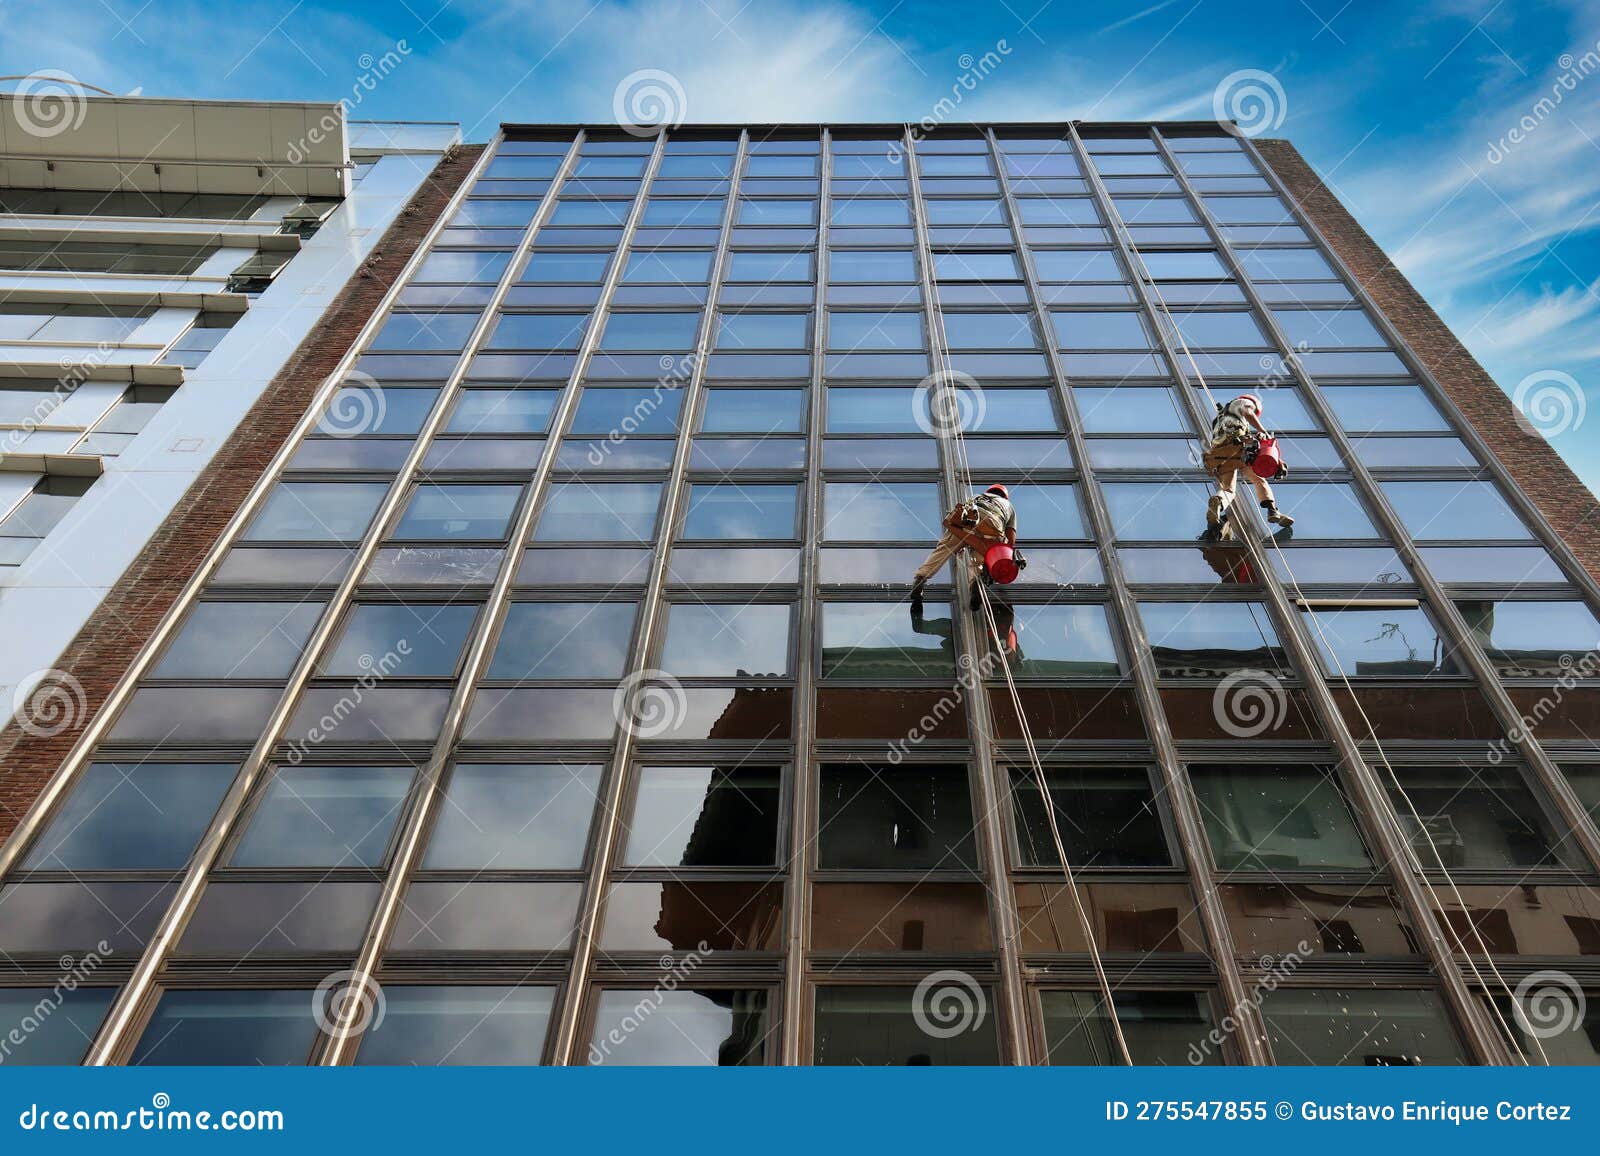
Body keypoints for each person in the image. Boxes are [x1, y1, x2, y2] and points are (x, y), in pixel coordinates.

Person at [910, 483, 1023, 610]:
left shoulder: (977, 496)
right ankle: (975, 586)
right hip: (992, 522)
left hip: (969, 517)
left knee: (944, 548)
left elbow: (959, 515)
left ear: (990, 491)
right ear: (1005, 496)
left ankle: (920, 579)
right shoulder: (1008, 506)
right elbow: (1011, 540)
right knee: (980, 557)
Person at [1203, 393, 1293, 533]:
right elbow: (1248, 412)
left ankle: (1218, 502)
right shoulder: (1242, 402)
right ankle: (1272, 511)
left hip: (1221, 453)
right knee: (1258, 479)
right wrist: (1263, 432)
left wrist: (1255, 437)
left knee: (1228, 489)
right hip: (1239, 449)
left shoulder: (1222, 418)